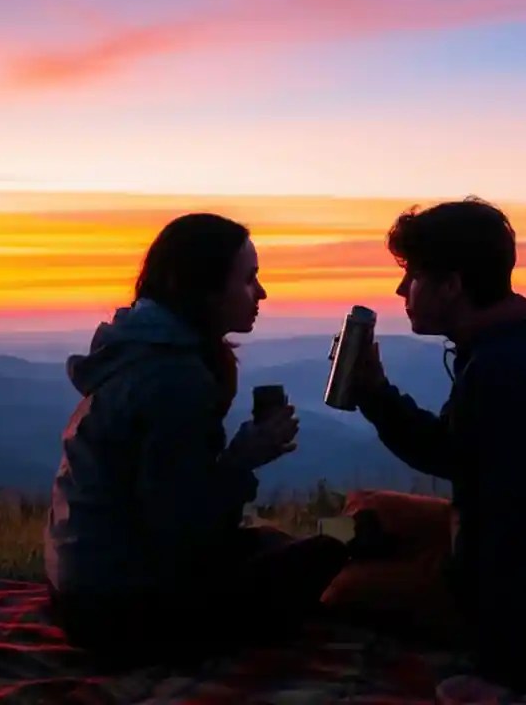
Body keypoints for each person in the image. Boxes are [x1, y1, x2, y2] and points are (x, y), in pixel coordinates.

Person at [44, 213, 347, 668]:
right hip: (116, 610)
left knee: (269, 541)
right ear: (206, 289)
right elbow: (181, 531)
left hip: (79, 585)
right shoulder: (176, 379)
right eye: (249, 280)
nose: (261, 293)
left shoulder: (140, 352)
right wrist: (243, 460)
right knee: (328, 551)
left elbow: (168, 502)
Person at [351, 198, 526, 691]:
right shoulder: (509, 347)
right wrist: (375, 393)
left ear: (452, 284)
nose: (400, 289)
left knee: (344, 582)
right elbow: (456, 454)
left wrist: (502, 667)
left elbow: (517, 525)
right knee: (365, 514)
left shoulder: (503, 372)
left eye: (412, 276)